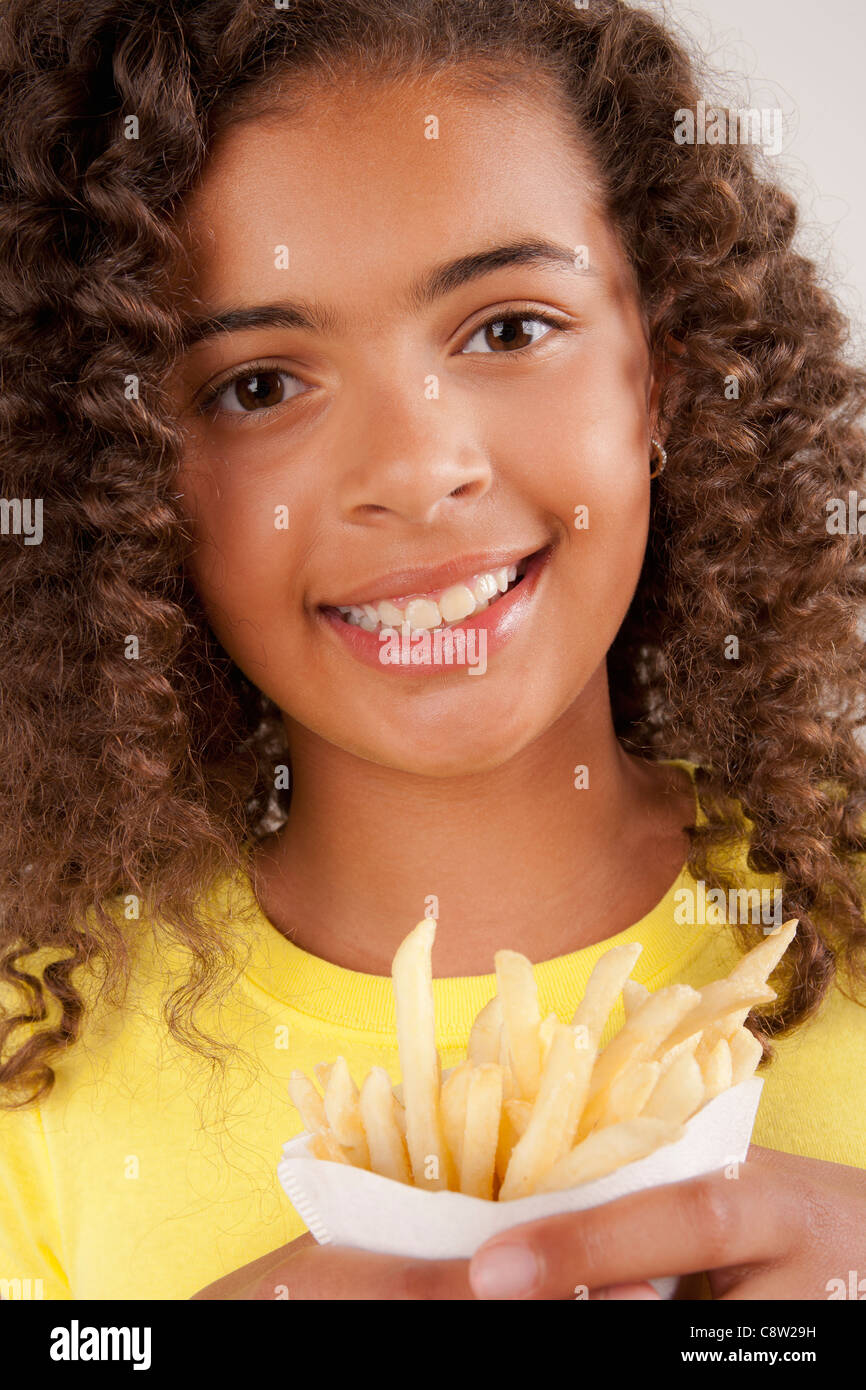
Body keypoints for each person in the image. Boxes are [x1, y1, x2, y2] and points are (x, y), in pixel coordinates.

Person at [1, 0, 865, 1302]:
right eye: (257, 384)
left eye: (507, 328)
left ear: (667, 367)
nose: (414, 472)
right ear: (122, 478)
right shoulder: (33, 1084)